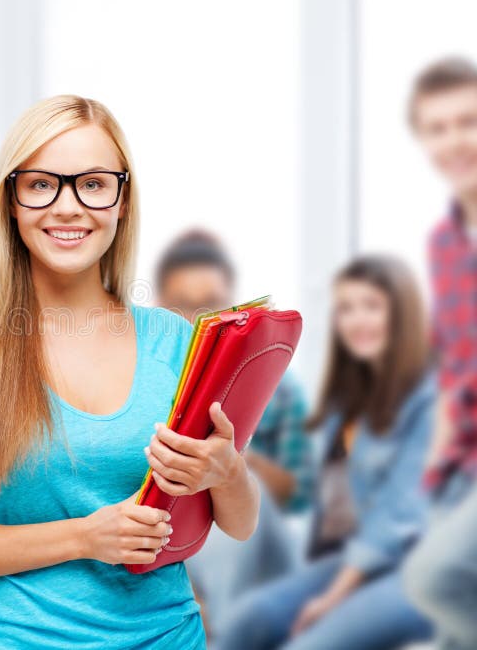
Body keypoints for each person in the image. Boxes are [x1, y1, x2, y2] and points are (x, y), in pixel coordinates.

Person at [0, 94, 260, 649]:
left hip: (170, 636)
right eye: (41, 184)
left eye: (92, 183)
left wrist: (226, 472)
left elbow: (239, 523)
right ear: (10, 201)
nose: (67, 207)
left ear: (121, 201)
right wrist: (86, 537)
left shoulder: (178, 343)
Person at [214, 255, 435, 650]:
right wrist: (312, 583)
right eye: (346, 308)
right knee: (250, 620)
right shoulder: (348, 403)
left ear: (402, 313)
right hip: (358, 558)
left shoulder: (431, 398)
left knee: (309, 644)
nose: (356, 321)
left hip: (422, 568)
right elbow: (332, 512)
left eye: (371, 306)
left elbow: (397, 518)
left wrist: (331, 598)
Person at [154, 228, 313, 634]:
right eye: (181, 306)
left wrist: (232, 461)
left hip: (256, 541)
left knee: (225, 520)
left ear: (231, 305)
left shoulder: (275, 381)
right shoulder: (146, 379)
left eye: (209, 305)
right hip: (172, 539)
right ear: (159, 306)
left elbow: (301, 492)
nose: (196, 320)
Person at [401, 56, 477, 650]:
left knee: (434, 579)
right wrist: (432, 473)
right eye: (438, 127)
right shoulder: (443, 242)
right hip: (459, 468)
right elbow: (453, 371)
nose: (454, 140)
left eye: (468, 122)